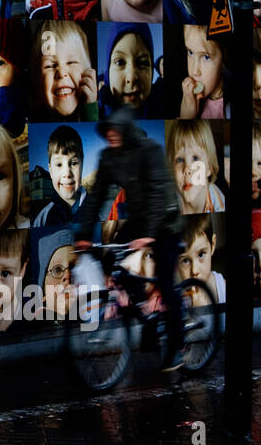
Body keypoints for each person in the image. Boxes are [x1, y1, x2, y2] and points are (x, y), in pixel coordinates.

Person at [74, 107, 186, 370]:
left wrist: (149, 233)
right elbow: (96, 197)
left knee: (167, 283)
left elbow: (160, 193)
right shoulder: (109, 158)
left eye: (116, 132)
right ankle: (145, 318)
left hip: (166, 221)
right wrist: (83, 236)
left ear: (126, 130)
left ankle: (179, 347)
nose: (111, 136)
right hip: (140, 221)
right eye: (108, 132)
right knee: (115, 261)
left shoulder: (150, 151)